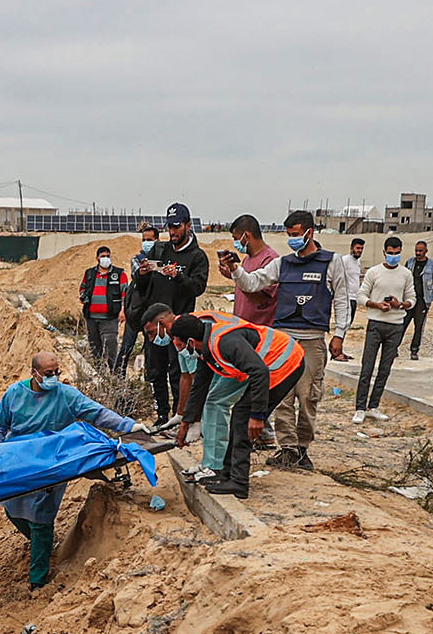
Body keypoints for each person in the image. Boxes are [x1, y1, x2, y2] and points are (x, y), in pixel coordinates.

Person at [0, 350, 140, 589]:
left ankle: (38, 579)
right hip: (19, 463)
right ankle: (41, 544)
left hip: (53, 464)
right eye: (48, 374)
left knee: (41, 519)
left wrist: (130, 425)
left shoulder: (66, 395)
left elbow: (97, 413)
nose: (54, 377)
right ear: (33, 373)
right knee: (13, 509)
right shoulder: (14, 394)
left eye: (57, 372)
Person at [221, 211, 337, 467]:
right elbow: (253, 283)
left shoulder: (331, 262)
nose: (292, 240)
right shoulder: (283, 263)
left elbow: (341, 298)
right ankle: (287, 449)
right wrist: (234, 270)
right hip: (284, 340)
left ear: (310, 232)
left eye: (295, 235)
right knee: (284, 398)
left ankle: (303, 449)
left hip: (312, 339)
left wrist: (339, 334)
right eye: (289, 235)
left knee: (307, 397)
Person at [165, 310, 302, 502]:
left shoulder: (224, 342)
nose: (177, 347)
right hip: (270, 365)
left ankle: (239, 482)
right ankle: (226, 473)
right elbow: (199, 387)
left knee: (243, 417)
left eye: (178, 343)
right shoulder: (207, 347)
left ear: (190, 341)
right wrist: (186, 423)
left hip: (284, 361)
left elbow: (259, 371)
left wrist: (258, 415)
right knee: (239, 414)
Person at [125, 205, 208, 423]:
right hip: (155, 325)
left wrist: (179, 277)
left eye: (177, 226)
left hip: (178, 325)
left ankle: (178, 416)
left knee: (178, 372)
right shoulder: (159, 250)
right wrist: (141, 274)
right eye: (170, 227)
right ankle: (161, 415)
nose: (173, 232)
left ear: (188, 225)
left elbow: (198, 287)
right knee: (155, 372)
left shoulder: (197, 257)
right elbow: (142, 286)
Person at [345, 236, 414, 419]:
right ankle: (360, 408)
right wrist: (376, 305)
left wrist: (400, 304)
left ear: (401, 251)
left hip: (396, 326)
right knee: (367, 366)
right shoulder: (374, 272)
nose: (393, 256)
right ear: (384, 252)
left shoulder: (406, 274)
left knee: (385, 369)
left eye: (396, 253)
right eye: (390, 253)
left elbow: (412, 299)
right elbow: (361, 295)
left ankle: (373, 406)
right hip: (375, 323)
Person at [222, 216, 279, 324]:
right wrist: (232, 274)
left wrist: (239, 277)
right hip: (242, 327)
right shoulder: (247, 259)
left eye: (236, 239)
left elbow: (262, 300)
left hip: (260, 330)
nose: (235, 243)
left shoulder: (270, 260)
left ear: (247, 236)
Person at [79, 245, 127, 370]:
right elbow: (82, 288)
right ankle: (99, 373)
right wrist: (84, 298)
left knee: (111, 346)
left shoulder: (119, 274)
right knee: (95, 347)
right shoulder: (89, 273)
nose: (105, 259)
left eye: (107, 256)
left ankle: (114, 374)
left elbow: (125, 294)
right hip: (91, 318)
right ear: (97, 258)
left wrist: (123, 310)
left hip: (110, 318)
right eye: (103, 257)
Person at [403, 238, 433, 359]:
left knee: (418, 326)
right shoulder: (409, 263)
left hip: (423, 301)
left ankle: (414, 350)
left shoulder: (432, 265)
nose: (418, 253)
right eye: (416, 250)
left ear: (426, 251)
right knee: (402, 324)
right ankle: (394, 348)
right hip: (409, 299)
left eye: (420, 251)